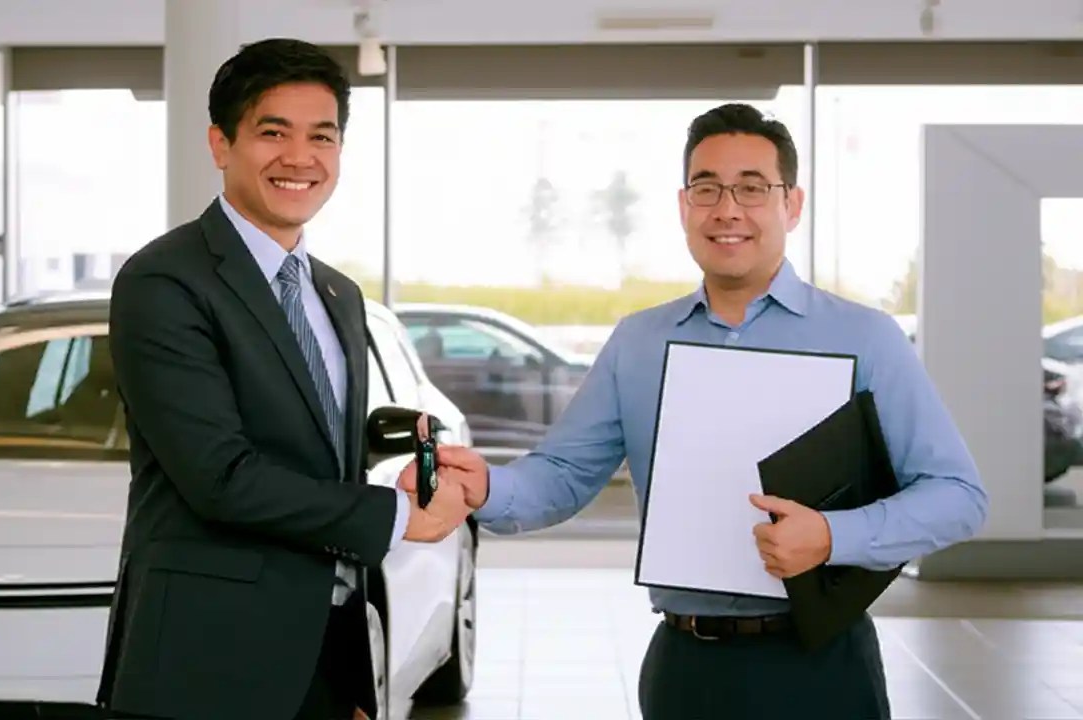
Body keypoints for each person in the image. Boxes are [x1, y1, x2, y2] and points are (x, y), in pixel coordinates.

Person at [403, 103, 989, 719]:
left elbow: (957, 495)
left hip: (820, 667)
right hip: (685, 669)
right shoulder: (639, 342)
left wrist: (831, 535)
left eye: (752, 188)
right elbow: (564, 474)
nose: (727, 209)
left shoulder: (865, 338)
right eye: (706, 188)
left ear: (792, 205)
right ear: (684, 207)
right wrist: (485, 486)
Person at [97, 38, 470, 720]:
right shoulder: (165, 281)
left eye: (321, 137)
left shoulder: (339, 294)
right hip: (206, 660)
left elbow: (327, 470)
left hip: (324, 659)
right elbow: (220, 478)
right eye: (274, 132)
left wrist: (351, 679)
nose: (300, 158)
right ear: (220, 143)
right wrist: (398, 519)